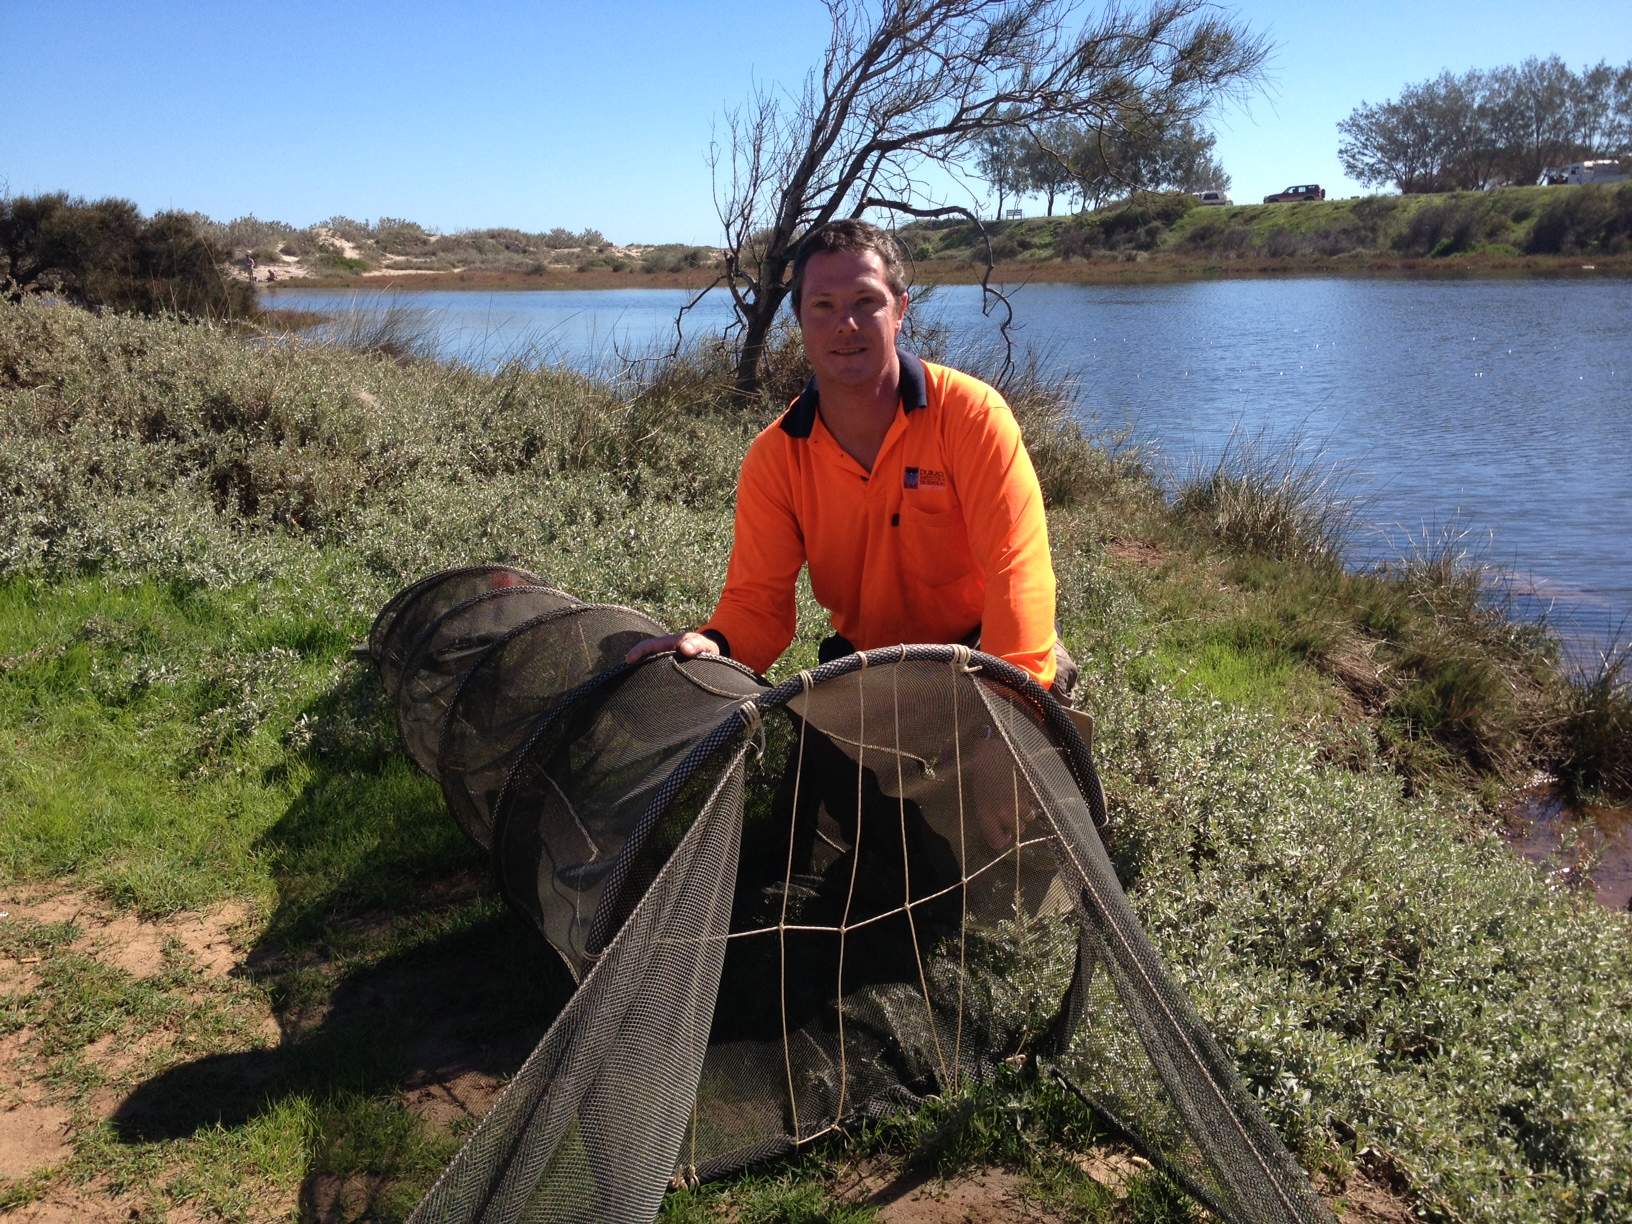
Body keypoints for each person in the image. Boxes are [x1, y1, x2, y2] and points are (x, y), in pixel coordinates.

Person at [625, 219, 1076, 702]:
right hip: (865, 661)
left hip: (983, 652)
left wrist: (1011, 694)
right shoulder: (776, 458)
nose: (847, 324)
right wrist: (714, 643)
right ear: (798, 316)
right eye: (823, 306)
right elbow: (756, 607)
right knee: (818, 778)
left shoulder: (971, 415)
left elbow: (1017, 570)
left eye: (867, 302)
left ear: (900, 309)